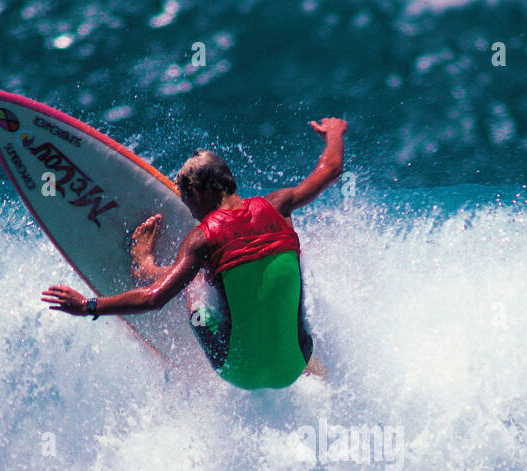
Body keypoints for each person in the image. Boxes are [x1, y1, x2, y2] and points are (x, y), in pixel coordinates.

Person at [42, 117, 346, 389]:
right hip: (296, 361)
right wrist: (334, 132)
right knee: (285, 237)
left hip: (239, 372)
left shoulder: (201, 238)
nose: (187, 208)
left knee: (195, 291)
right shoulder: (279, 203)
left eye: (186, 199)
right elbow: (331, 169)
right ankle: (308, 363)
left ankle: (145, 264)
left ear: (197, 194)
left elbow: (154, 298)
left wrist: (87, 305)